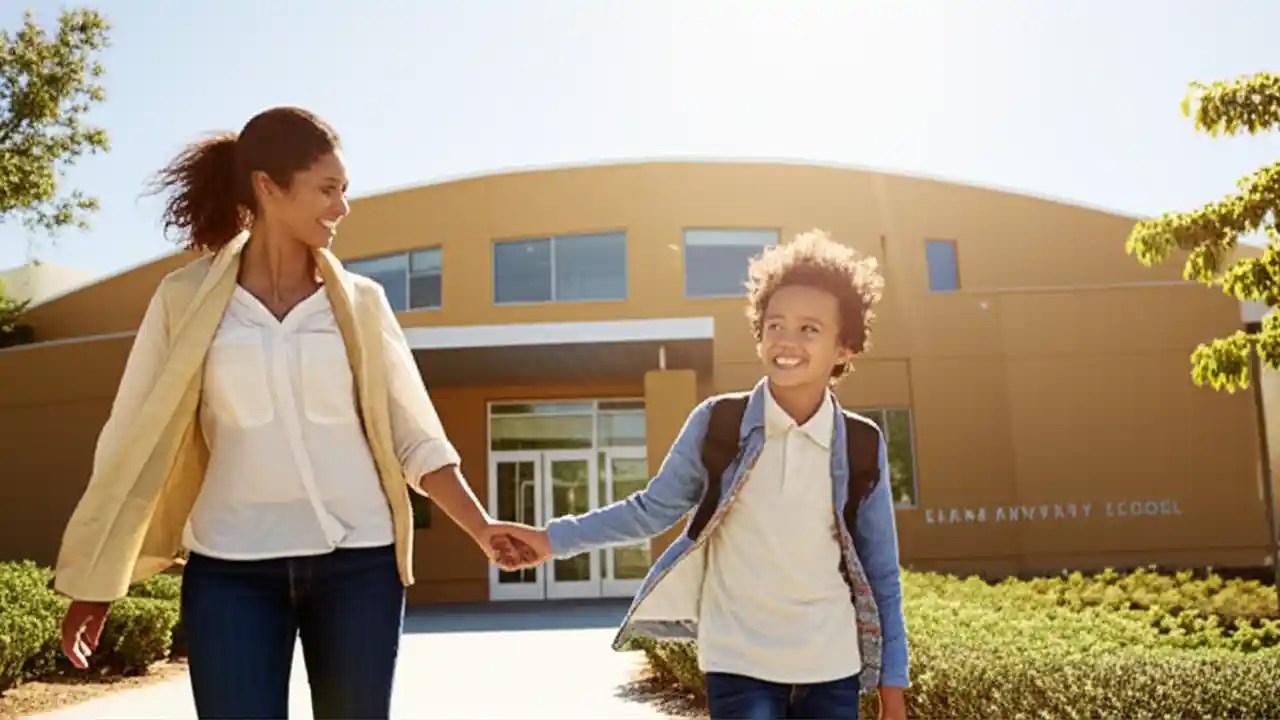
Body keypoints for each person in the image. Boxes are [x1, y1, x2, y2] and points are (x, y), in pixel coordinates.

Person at [53, 106, 529, 720]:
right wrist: (97, 583)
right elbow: (129, 438)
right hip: (231, 571)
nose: (343, 206)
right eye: (328, 189)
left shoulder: (360, 302)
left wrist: (481, 527)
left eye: (345, 190)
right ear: (268, 187)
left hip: (359, 567)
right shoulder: (183, 300)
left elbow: (417, 437)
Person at [493, 230, 910, 720]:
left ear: (844, 348)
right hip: (739, 659)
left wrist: (892, 691)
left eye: (809, 329)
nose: (786, 341)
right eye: (774, 324)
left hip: (831, 664)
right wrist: (550, 539)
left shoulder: (861, 444)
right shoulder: (720, 423)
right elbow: (650, 510)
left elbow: (881, 571)